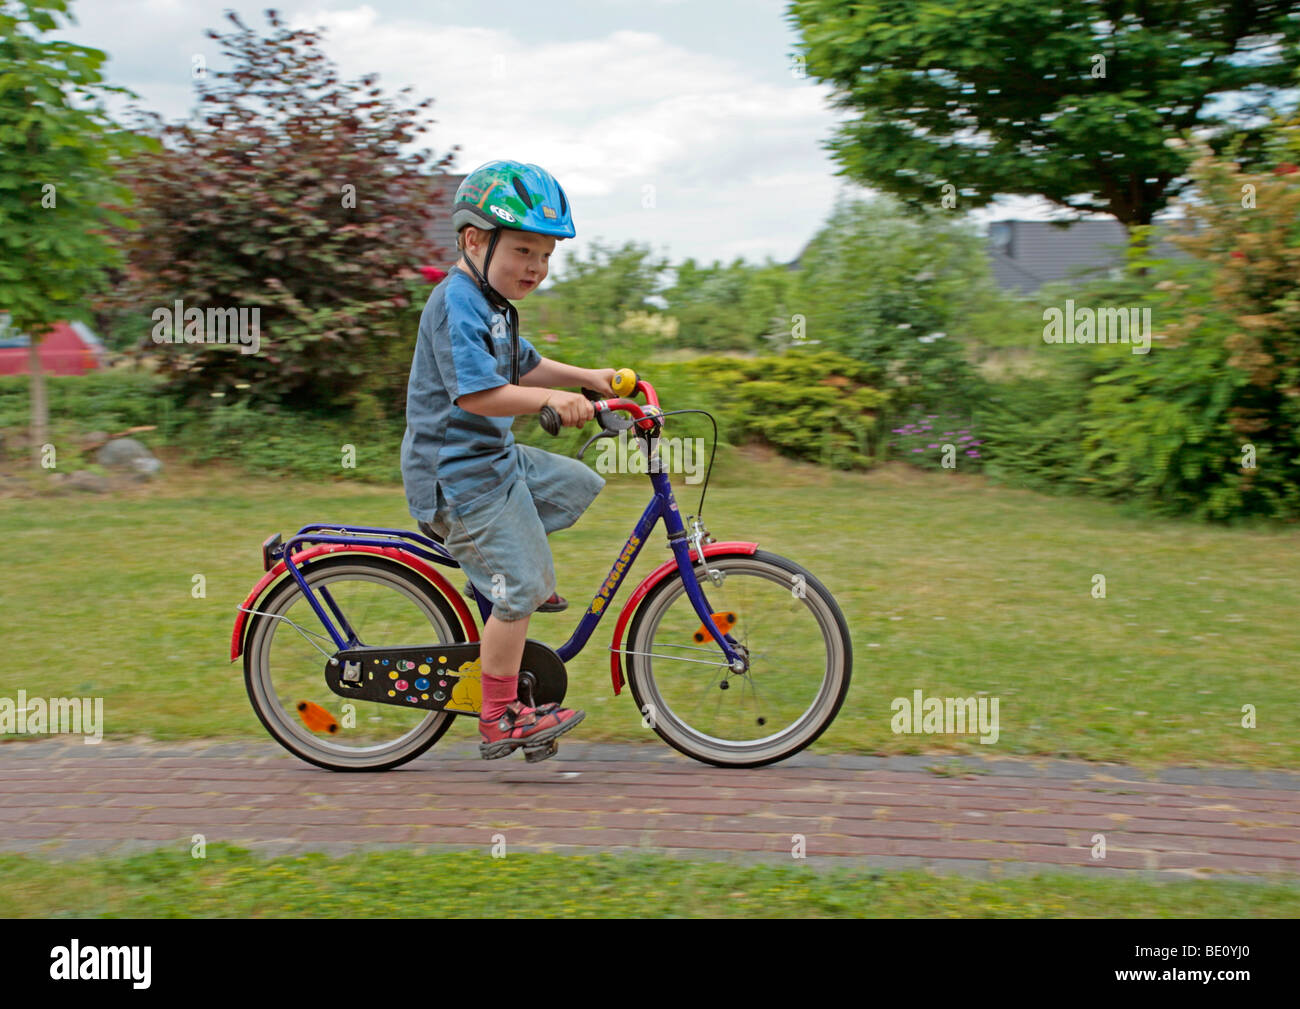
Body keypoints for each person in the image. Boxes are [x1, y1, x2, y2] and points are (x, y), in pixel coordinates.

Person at [401, 160, 614, 761]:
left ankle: (500, 574)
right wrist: (552, 399)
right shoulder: (456, 303)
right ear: (475, 240)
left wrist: (587, 379)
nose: (536, 268)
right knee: (520, 586)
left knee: (577, 484)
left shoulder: (491, 303)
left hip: (495, 458)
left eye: (545, 256)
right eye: (523, 250)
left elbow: (522, 364)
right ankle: (498, 715)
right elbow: (475, 394)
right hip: (457, 478)